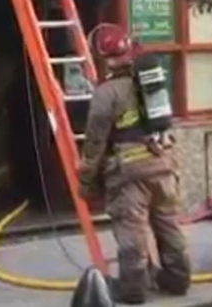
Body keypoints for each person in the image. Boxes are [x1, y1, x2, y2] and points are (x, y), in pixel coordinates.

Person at [78, 23, 190, 304]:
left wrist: (86, 182)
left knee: (133, 233)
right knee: (168, 225)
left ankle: (133, 290)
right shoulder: (150, 83)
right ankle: (178, 279)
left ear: (104, 57)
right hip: (164, 163)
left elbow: (94, 144)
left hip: (130, 174)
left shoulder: (107, 93)